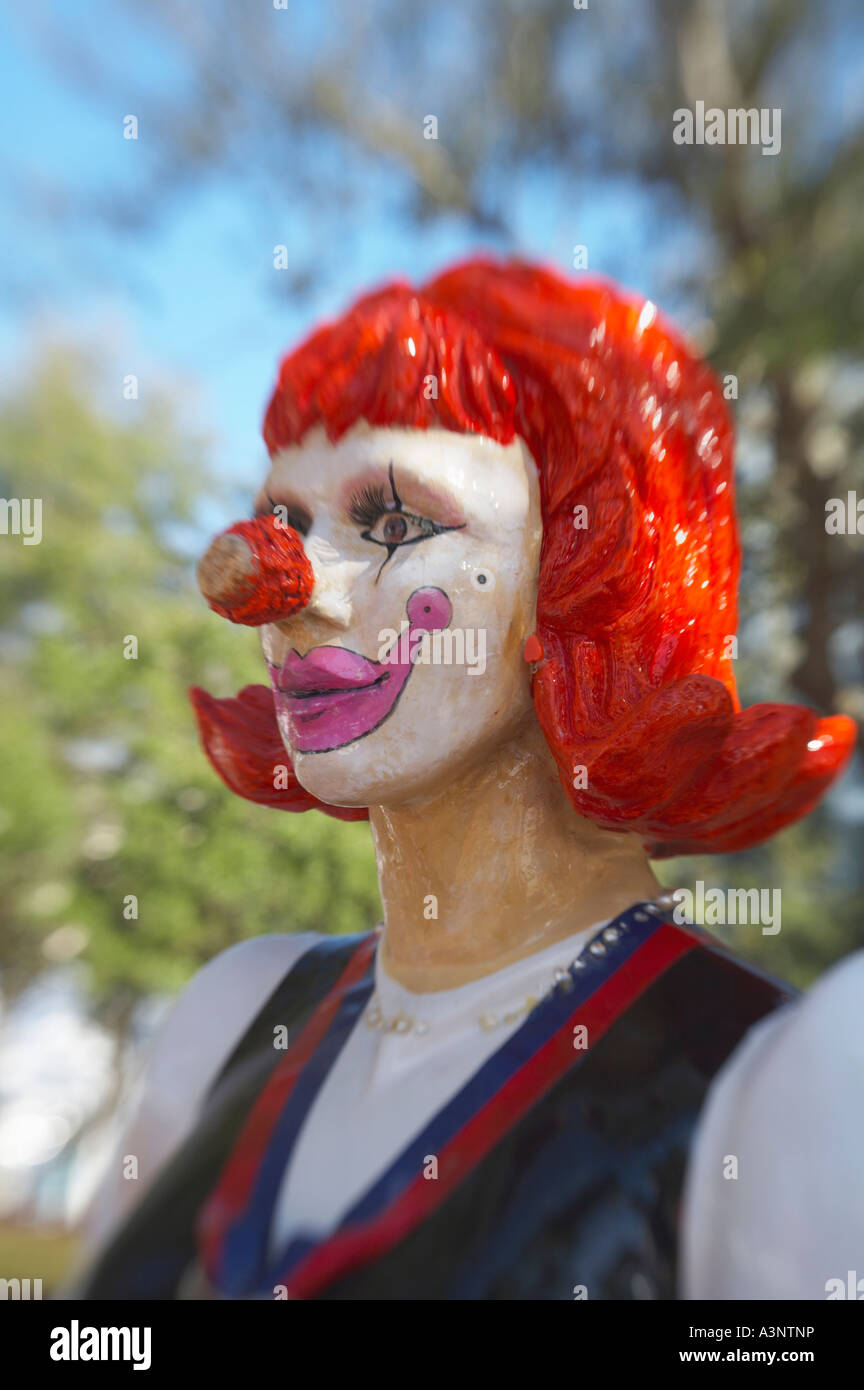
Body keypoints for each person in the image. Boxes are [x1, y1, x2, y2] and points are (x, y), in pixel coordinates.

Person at [77, 260, 861, 1301]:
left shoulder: (782, 1086)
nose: (285, 590)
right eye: (287, 522)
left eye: (396, 524)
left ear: (586, 577)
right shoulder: (232, 1013)